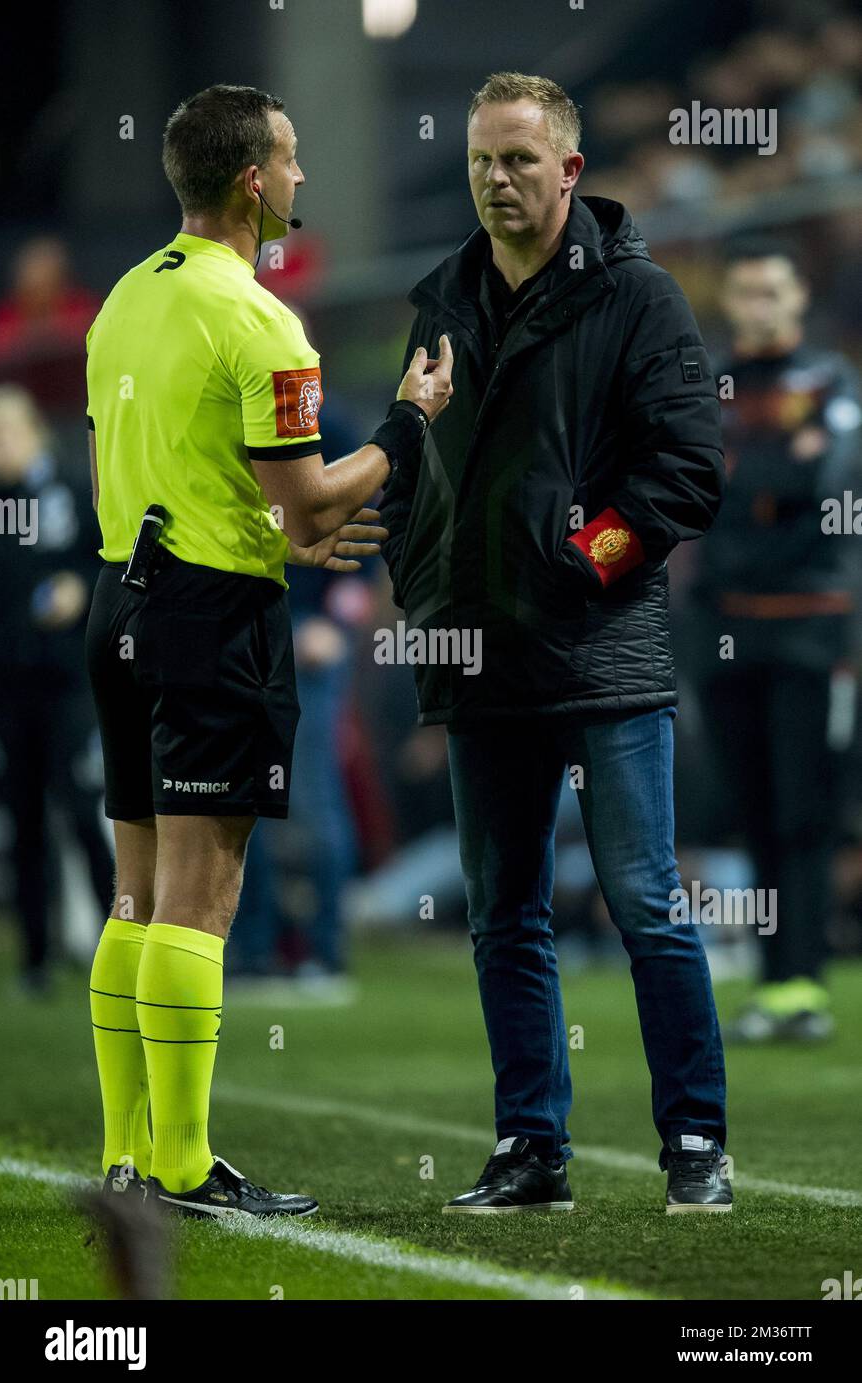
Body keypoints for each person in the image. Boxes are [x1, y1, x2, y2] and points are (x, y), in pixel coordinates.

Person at [85, 84, 453, 1218]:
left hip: (121, 601)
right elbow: (303, 506)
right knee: (201, 898)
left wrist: (278, 529)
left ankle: (127, 1153)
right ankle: (187, 1169)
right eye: (290, 160)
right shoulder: (259, 319)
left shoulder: (125, 299)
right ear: (252, 180)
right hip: (209, 621)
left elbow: (176, 470)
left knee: (137, 897)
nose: (302, 179)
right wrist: (406, 423)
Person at [380, 72, 729, 1214]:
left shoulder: (641, 300)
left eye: (521, 159)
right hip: (480, 656)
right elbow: (420, 467)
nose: (497, 177)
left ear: (571, 170)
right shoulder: (442, 299)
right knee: (504, 917)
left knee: (643, 901)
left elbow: (684, 473)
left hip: (602, 648)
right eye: (484, 158)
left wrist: (585, 565)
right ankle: (531, 1148)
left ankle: (696, 1143)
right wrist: (416, 582)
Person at [691, 239, 862, 1042]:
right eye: (745, 291)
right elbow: (694, 483)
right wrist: (765, 477)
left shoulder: (830, 381)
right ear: (730, 301)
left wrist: (745, 478)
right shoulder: (710, 385)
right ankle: (770, 985)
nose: (758, 304)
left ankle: (803, 984)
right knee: (752, 810)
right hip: (724, 626)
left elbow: (820, 482)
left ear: (797, 300)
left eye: (772, 291)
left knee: (806, 810)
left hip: (811, 628)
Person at [0, 384, 113, 992]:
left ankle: (114, 946)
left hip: (72, 683)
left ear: (34, 430)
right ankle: (36, 960)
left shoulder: (72, 487)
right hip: (12, 688)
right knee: (25, 820)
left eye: (6, 432)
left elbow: (110, 560)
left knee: (83, 810)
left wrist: (79, 589)